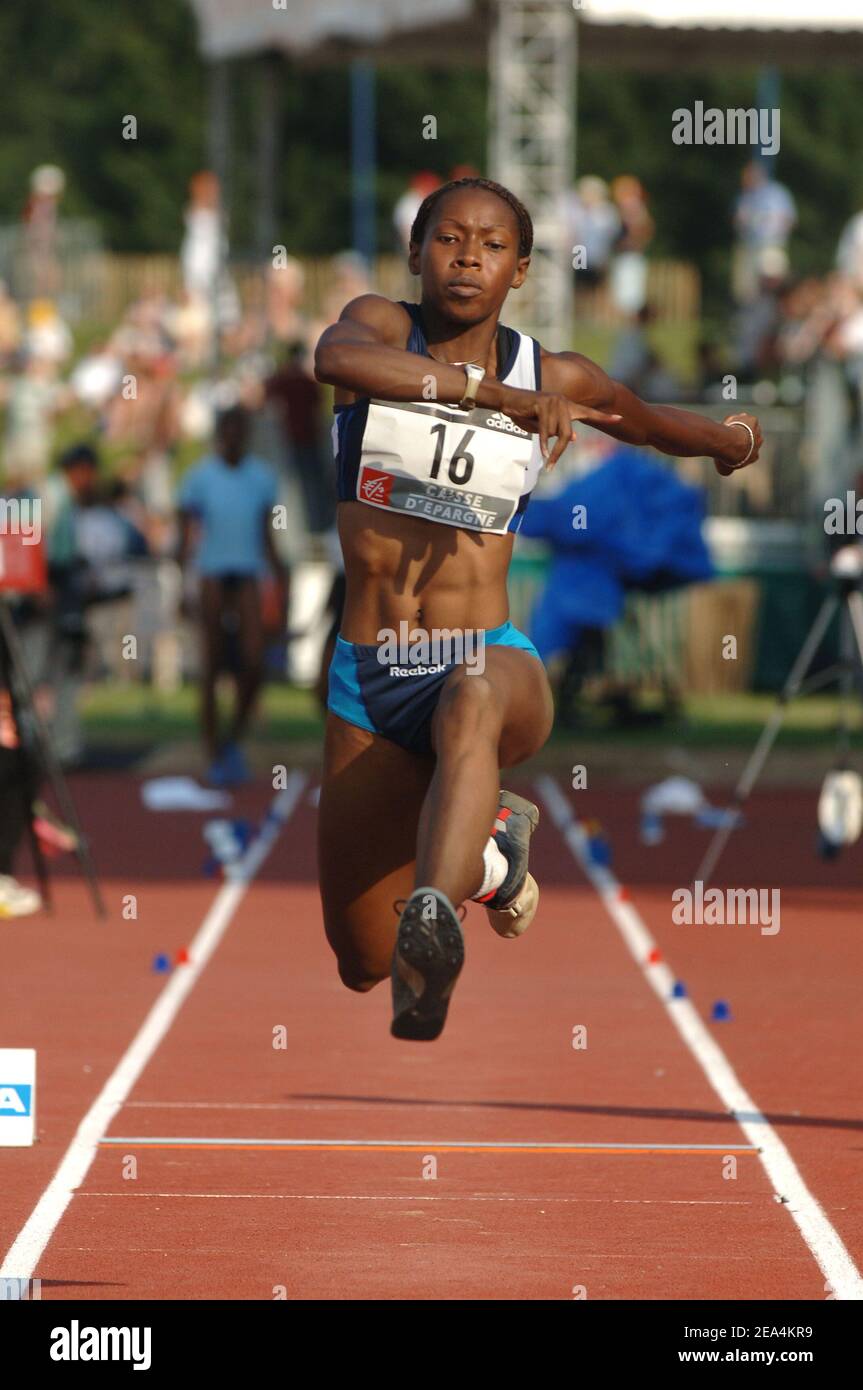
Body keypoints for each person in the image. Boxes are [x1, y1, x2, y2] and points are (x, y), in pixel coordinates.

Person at [313, 175, 762, 1042]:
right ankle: (490, 857)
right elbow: (333, 360)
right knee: (361, 964)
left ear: (519, 269)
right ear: (416, 253)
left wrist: (725, 440)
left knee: (475, 698)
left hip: (486, 654)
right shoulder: (376, 328)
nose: (467, 256)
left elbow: (642, 421)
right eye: (448, 239)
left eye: (490, 244)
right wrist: (492, 399)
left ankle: (437, 916)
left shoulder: (552, 373)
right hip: (368, 677)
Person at [177, 406, 286, 787]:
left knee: (254, 661)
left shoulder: (261, 478)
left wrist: (280, 576)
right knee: (212, 663)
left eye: (242, 430)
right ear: (221, 433)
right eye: (230, 430)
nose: (235, 437)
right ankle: (211, 750)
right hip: (211, 573)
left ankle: (232, 739)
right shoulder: (200, 477)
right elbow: (184, 534)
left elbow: (268, 532)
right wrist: (182, 583)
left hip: (248, 572)